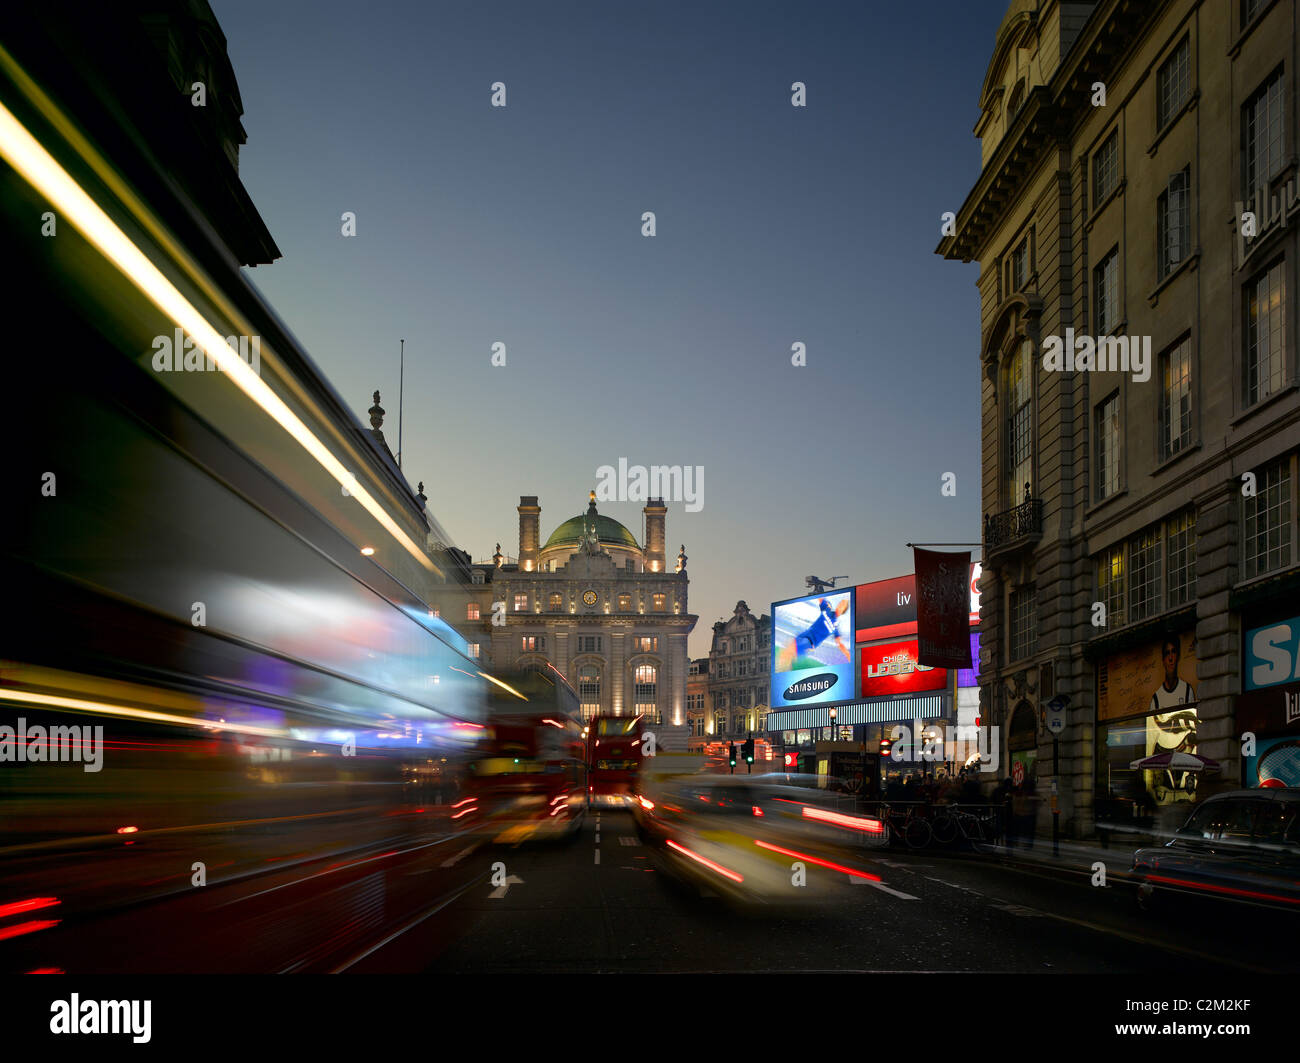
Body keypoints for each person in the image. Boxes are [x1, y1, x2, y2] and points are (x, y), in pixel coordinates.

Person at [777, 596, 851, 672]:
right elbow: (820, 598)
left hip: (810, 643)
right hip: (804, 635)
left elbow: (840, 644)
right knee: (785, 654)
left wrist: (848, 654)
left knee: (787, 653)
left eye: (843, 605)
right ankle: (783, 671)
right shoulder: (827, 608)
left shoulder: (835, 626)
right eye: (841, 603)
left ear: (843, 610)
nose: (840, 604)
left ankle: (782, 671)